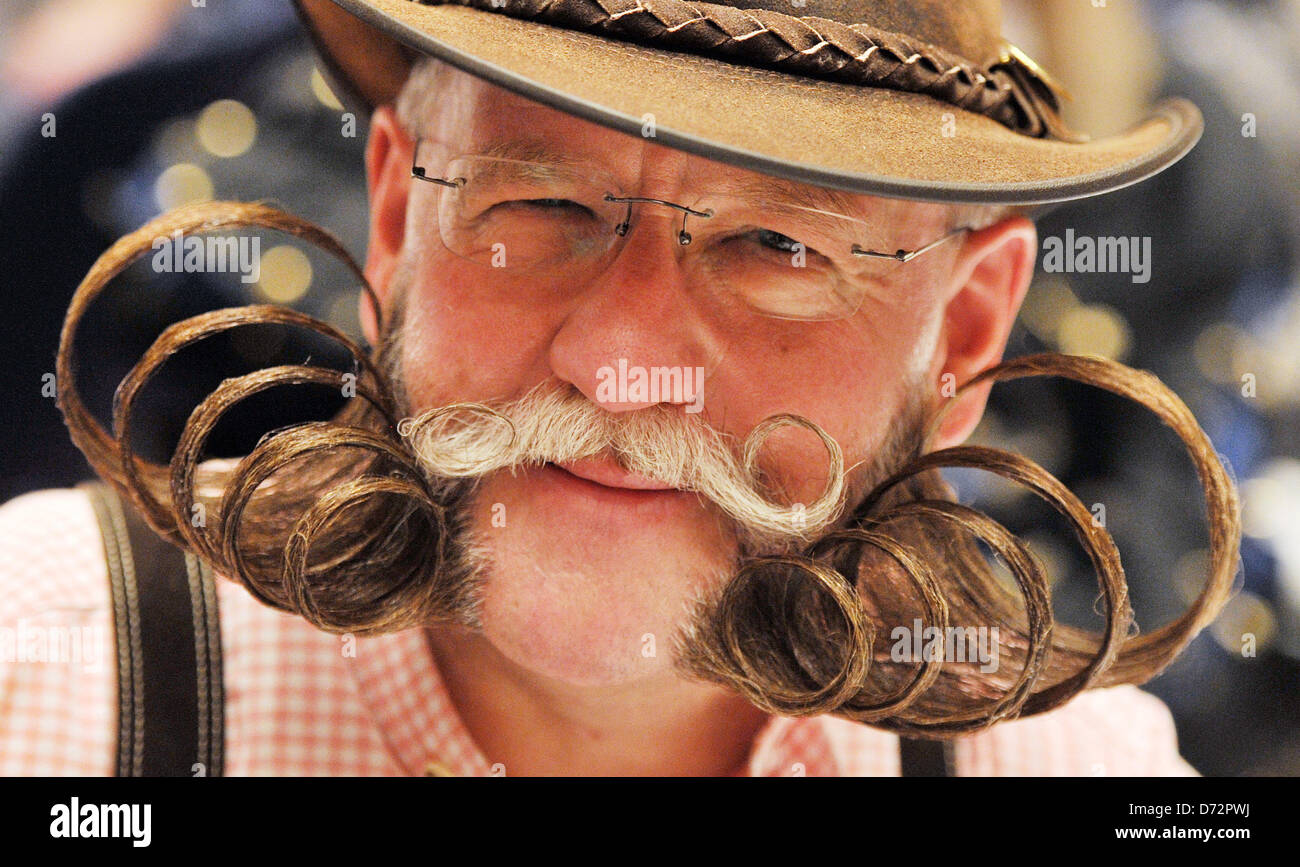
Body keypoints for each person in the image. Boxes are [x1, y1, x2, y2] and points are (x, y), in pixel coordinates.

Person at [0, 0, 1239, 776]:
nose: (615, 364)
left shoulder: (1067, 769)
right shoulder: (52, 674)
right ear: (393, 218)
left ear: (964, 331)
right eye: (537, 204)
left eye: (780, 247)